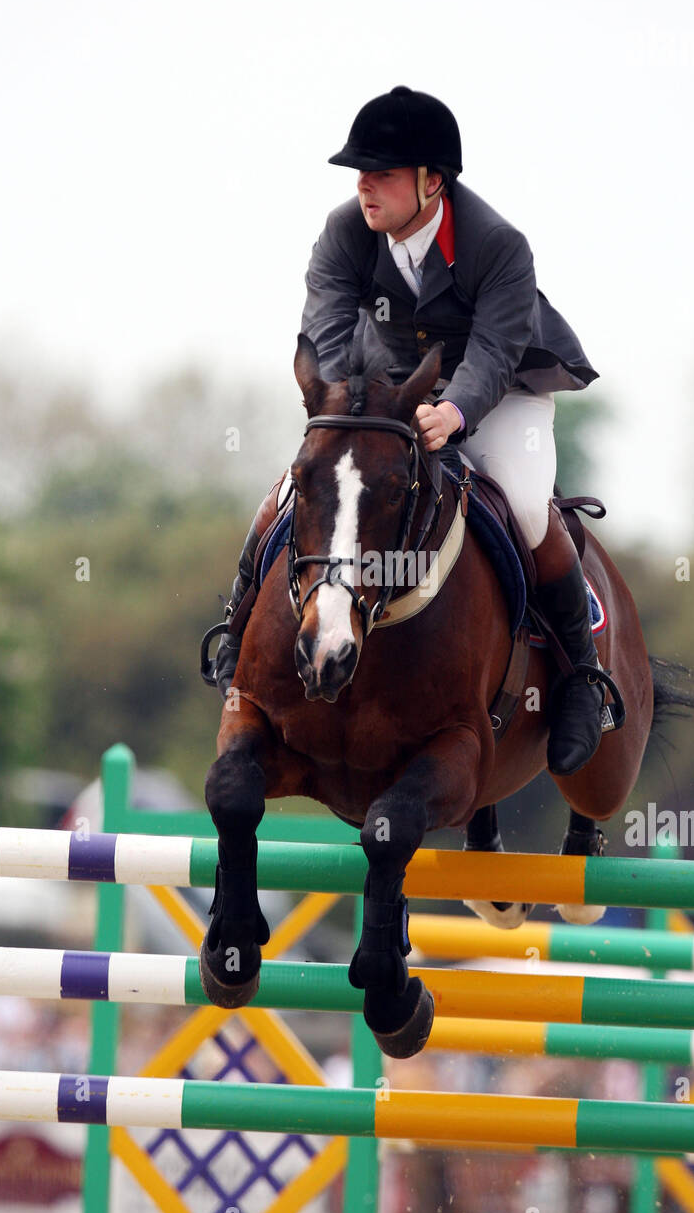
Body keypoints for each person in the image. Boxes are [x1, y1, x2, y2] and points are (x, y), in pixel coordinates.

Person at [210, 85, 611, 776]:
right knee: (289, 488)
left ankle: (581, 679)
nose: (365, 186)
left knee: (520, 501)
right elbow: (328, 330)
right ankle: (235, 619)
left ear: (432, 182)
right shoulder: (345, 231)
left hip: (500, 392)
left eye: (383, 173)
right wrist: (356, 414)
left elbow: (493, 351)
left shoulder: (498, 245)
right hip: (386, 395)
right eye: (359, 173)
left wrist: (454, 411)